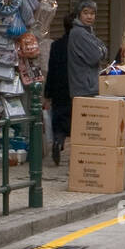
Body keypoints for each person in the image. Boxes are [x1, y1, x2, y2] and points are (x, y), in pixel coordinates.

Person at [44, 13, 75, 165]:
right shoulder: (81, 45)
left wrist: (48, 92)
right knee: (77, 120)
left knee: (59, 120)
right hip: (77, 88)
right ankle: (77, 153)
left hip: (59, 88)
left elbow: (51, 69)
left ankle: (58, 141)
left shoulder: (56, 45)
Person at [67, 0, 107, 103]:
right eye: (85, 13)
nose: (89, 16)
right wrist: (100, 49)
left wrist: (100, 49)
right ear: (79, 14)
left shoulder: (88, 31)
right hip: (84, 89)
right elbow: (95, 56)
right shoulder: (79, 33)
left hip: (87, 89)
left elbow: (104, 50)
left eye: (92, 13)